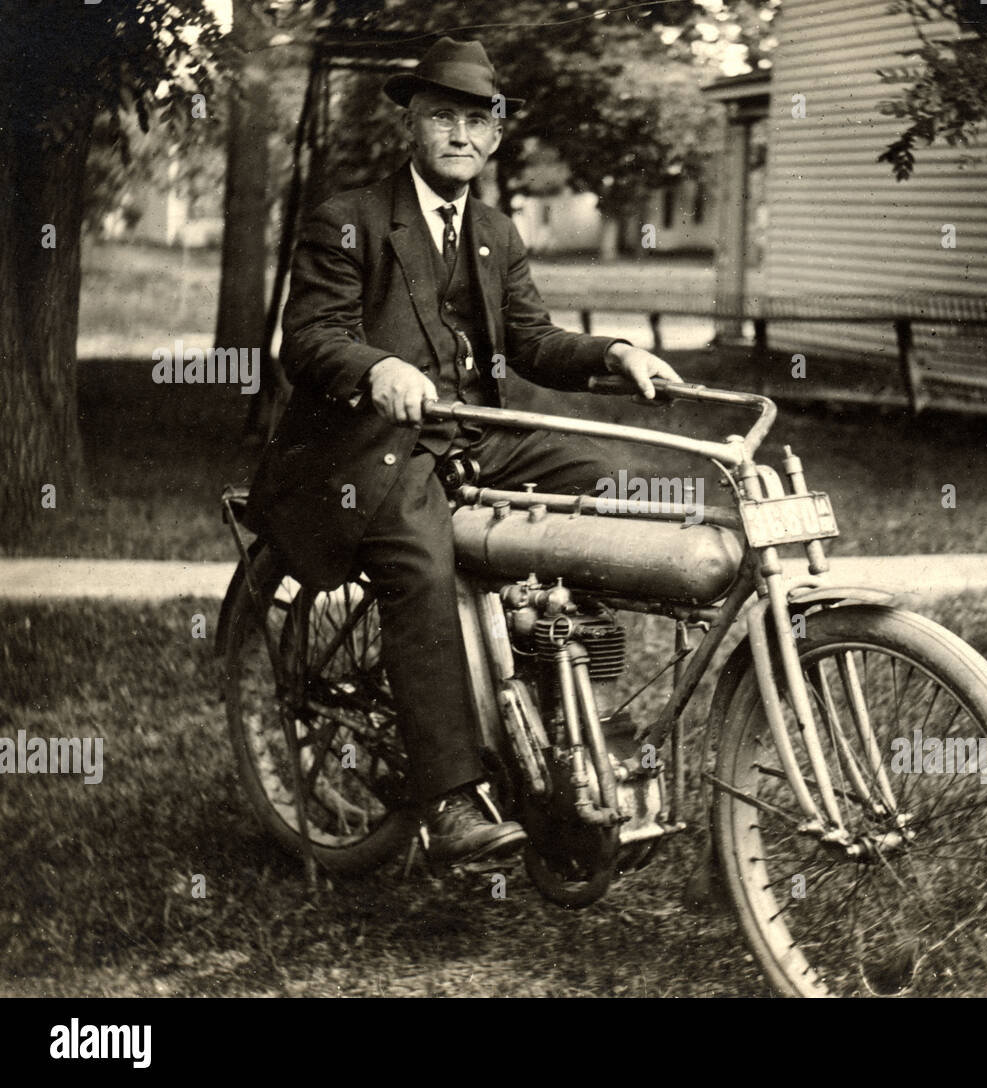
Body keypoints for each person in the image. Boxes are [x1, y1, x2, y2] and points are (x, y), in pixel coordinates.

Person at [245, 37, 682, 864]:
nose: (458, 134)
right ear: (411, 125)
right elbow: (307, 337)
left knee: (601, 488)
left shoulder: (493, 231)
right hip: (362, 448)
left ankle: (573, 729)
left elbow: (534, 340)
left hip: (470, 439)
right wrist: (375, 368)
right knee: (421, 557)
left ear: (494, 136)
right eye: (441, 115)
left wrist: (615, 354)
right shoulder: (350, 219)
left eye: (475, 120)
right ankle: (448, 799)